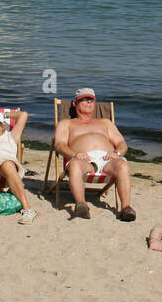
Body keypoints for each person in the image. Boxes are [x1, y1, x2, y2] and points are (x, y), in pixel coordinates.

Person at [52, 87, 135, 221]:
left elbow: (121, 143)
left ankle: (126, 208)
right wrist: (74, 155)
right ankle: (81, 205)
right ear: (75, 103)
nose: (88, 102)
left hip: (107, 159)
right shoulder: (66, 123)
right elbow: (59, 145)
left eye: (91, 99)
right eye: (84, 99)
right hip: (82, 159)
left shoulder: (105, 123)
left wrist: (117, 153)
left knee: (122, 165)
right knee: (74, 166)